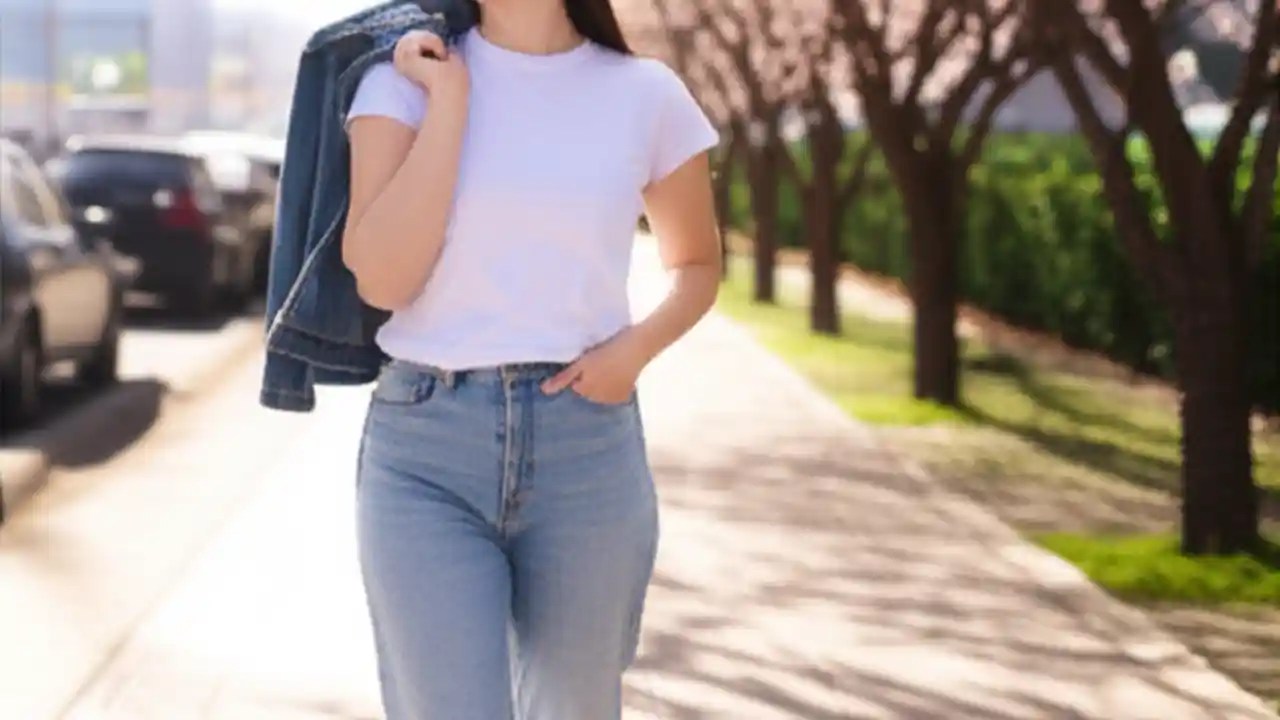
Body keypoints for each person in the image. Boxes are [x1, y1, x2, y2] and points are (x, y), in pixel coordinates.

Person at [340, 0, 722, 716]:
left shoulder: (645, 94)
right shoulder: (403, 81)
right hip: (426, 454)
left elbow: (697, 265)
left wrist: (632, 352)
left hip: (587, 450)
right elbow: (385, 280)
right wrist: (450, 100)